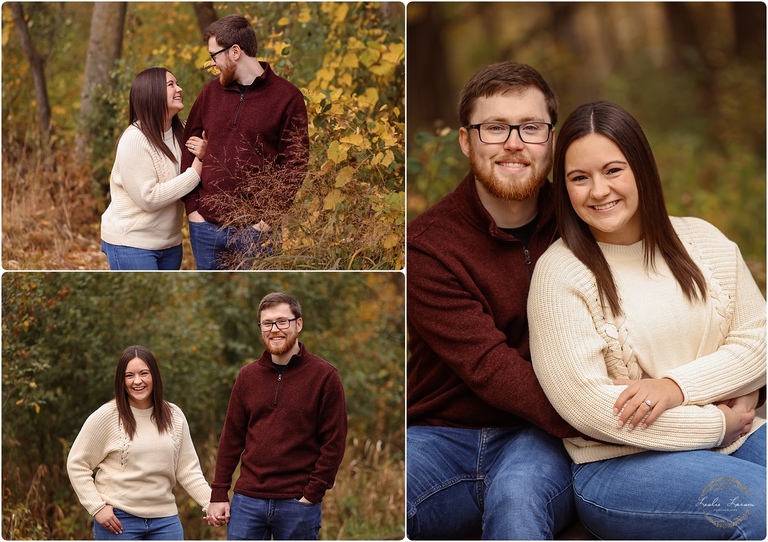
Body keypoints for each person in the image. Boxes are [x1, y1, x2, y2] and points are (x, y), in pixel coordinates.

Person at [528, 100, 766, 539]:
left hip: (742, 434)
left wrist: (674, 388)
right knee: (759, 507)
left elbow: (758, 342)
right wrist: (715, 424)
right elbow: (590, 408)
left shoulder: (703, 240)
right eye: (579, 178)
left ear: (641, 168)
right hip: (621, 465)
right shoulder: (560, 275)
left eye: (613, 170)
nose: (599, 191)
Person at [406, 61, 580, 540]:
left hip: (542, 435)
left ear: (551, 140)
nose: (513, 143)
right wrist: (601, 421)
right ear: (466, 141)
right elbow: (490, 367)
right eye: (495, 128)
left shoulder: (584, 223)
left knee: (517, 503)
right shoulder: (427, 246)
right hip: (439, 435)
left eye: (531, 127)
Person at [205, 292, 347, 540]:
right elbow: (231, 439)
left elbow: (334, 442)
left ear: (298, 324)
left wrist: (312, 493)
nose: (274, 330)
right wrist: (218, 493)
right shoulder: (247, 377)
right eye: (267, 323)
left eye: (282, 321)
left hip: (297, 503)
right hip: (247, 501)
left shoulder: (324, 376)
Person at [180, 14, 310, 270]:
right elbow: (188, 148)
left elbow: (295, 164)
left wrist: (267, 221)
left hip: (258, 232)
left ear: (235, 52)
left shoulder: (287, 97)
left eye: (214, 55)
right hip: (206, 229)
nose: (212, 63)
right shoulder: (209, 93)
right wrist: (193, 210)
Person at [67, 345, 212, 540]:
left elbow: (188, 470)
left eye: (144, 373)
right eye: (129, 375)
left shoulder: (174, 416)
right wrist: (97, 507)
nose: (137, 381)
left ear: (154, 376)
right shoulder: (106, 416)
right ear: (121, 380)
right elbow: (77, 463)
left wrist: (211, 503)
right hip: (119, 521)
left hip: (165, 521)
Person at [101, 67, 207, 270]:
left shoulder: (184, 131)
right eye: (171, 85)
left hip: (170, 243)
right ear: (152, 93)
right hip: (131, 243)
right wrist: (196, 170)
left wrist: (205, 151)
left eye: (177, 83)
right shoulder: (134, 139)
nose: (179, 89)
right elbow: (149, 198)